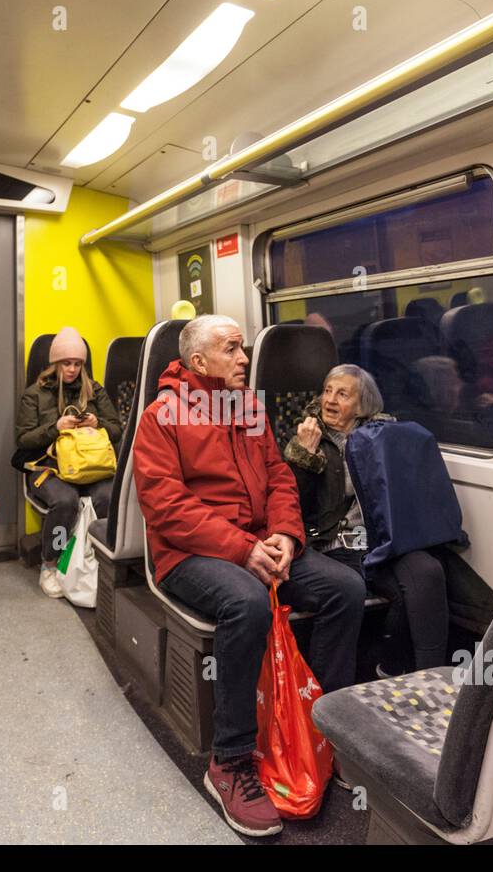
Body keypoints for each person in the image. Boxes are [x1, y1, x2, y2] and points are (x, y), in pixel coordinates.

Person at [131, 314, 365, 838]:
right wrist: (242, 550)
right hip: (188, 554)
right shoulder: (162, 416)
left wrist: (285, 533)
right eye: (233, 350)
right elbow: (166, 508)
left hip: (259, 541)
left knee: (345, 589)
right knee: (248, 601)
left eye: (244, 349)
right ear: (199, 362)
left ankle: (320, 729)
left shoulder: (247, 408)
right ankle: (231, 761)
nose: (244, 359)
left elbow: (281, 476)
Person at [284, 364, 452, 674]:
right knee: (354, 588)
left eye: (343, 394)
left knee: (428, 572)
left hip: (382, 541)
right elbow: (291, 503)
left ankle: (425, 677)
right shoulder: (310, 437)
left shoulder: (383, 437)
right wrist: (304, 456)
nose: (331, 400)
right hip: (335, 544)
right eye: (328, 391)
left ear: (363, 406)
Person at [15, 326, 122, 598]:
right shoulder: (35, 394)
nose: (72, 369)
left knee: (108, 497)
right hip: (48, 468)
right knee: (66, 503)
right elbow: (24, 440)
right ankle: (51, 563)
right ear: (55, 363)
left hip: (91, 466)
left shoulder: (93, 390)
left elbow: (117, 429)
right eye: (66, 363)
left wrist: (98, 424)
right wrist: (56, 427)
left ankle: (100, 561)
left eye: (77, 364)